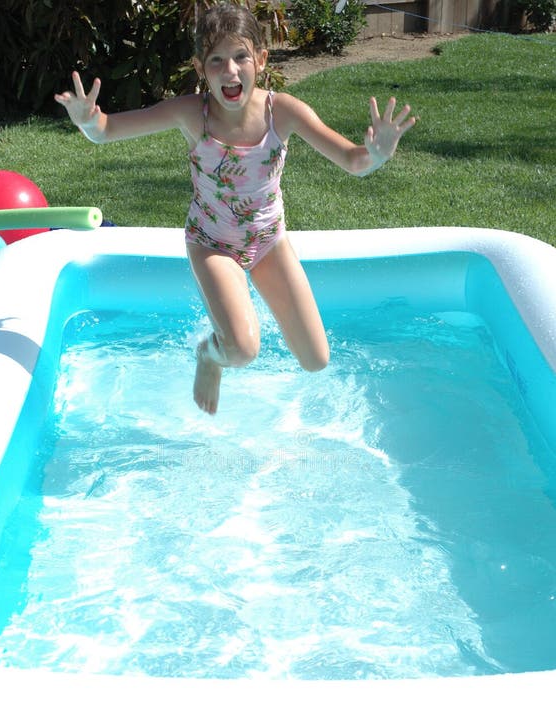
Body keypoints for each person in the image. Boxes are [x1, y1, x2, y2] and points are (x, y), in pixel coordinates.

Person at [55, 2, 416, 415]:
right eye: (216, 60)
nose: (230, 70)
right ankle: (209, 355)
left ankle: (224, 346)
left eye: (241, 56)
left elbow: (352, 160)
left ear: (260, 59)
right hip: (212, 243)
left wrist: (377, 155)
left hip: (268, 242)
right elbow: (106, 131)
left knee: (316, 359)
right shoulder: (192, 114)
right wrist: (88, 121)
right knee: (243, 349)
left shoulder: (283, 112)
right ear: (200, 68)